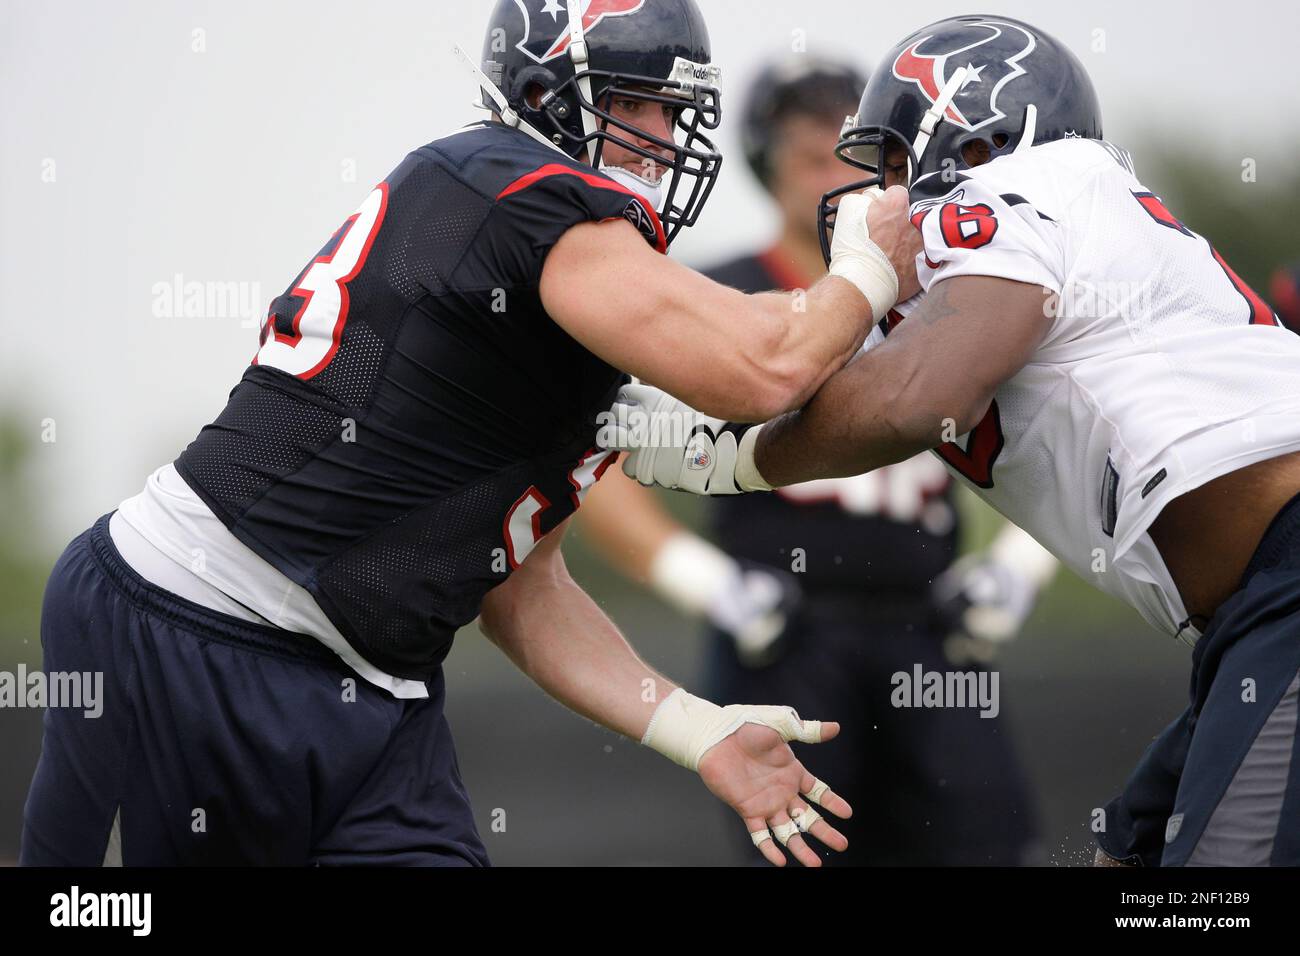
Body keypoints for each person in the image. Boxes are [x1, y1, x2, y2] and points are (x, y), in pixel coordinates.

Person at [21, 0, 923, 867]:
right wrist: (869, 267)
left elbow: (524, 593)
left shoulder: (547, 269)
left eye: (671, 105)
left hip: (376, 684)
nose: (660, 131)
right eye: (630, 103)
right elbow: (766, 365)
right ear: (542, 98)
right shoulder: (521, 191)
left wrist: (697, 726)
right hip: (192, 622)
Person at [606, 14, 1300, 866]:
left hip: (1283, 589)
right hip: (1245, 621)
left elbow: (908, 397)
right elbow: (801, 345)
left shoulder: (1038, 187)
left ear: (977, 143)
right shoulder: (1034, 249)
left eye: (894, 161)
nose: (876, 190)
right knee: (1131, 854)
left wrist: (732, 459)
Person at [579, 57, 1052, 865]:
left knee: (986, 846)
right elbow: (597, 458)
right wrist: (705, 581)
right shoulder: (718, 292)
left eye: (859, 155)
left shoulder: (955, 290)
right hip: (784, 631)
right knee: (806, 849)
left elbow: (1058, 432)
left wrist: (1020, 565)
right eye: (811, 154)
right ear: (767, 169)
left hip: (929, 623)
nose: (839, 176)